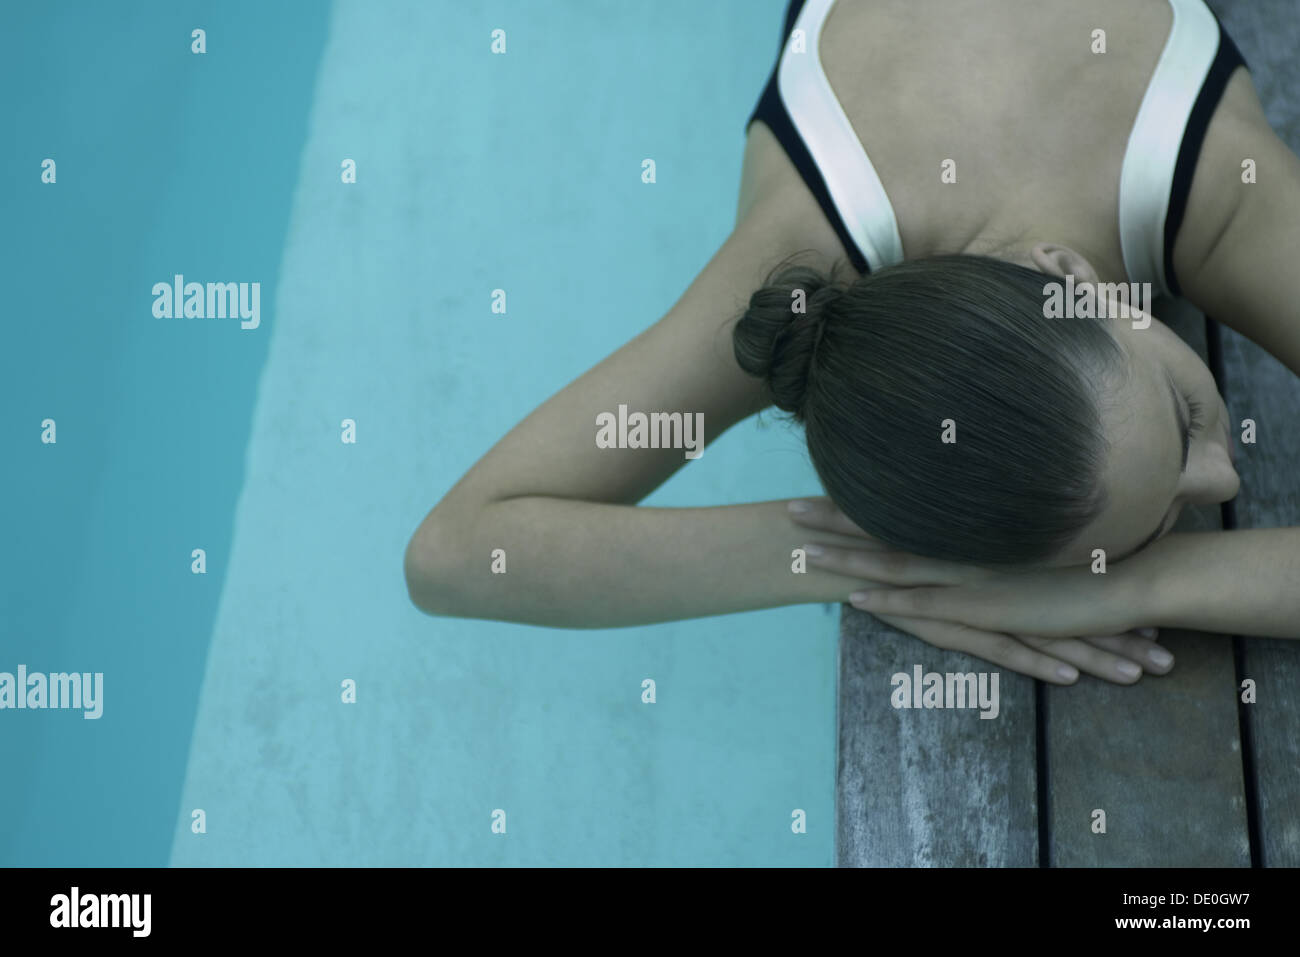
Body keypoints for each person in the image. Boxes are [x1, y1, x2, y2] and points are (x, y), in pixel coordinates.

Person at [405, 0, 1300, 685]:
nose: (1224, 479)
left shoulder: (1221, 189)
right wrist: (870, 563)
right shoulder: (807, 248)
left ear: (1069, 274)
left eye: (1186, 416)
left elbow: (461, 551)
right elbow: (457, 554)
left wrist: (1127, 585)